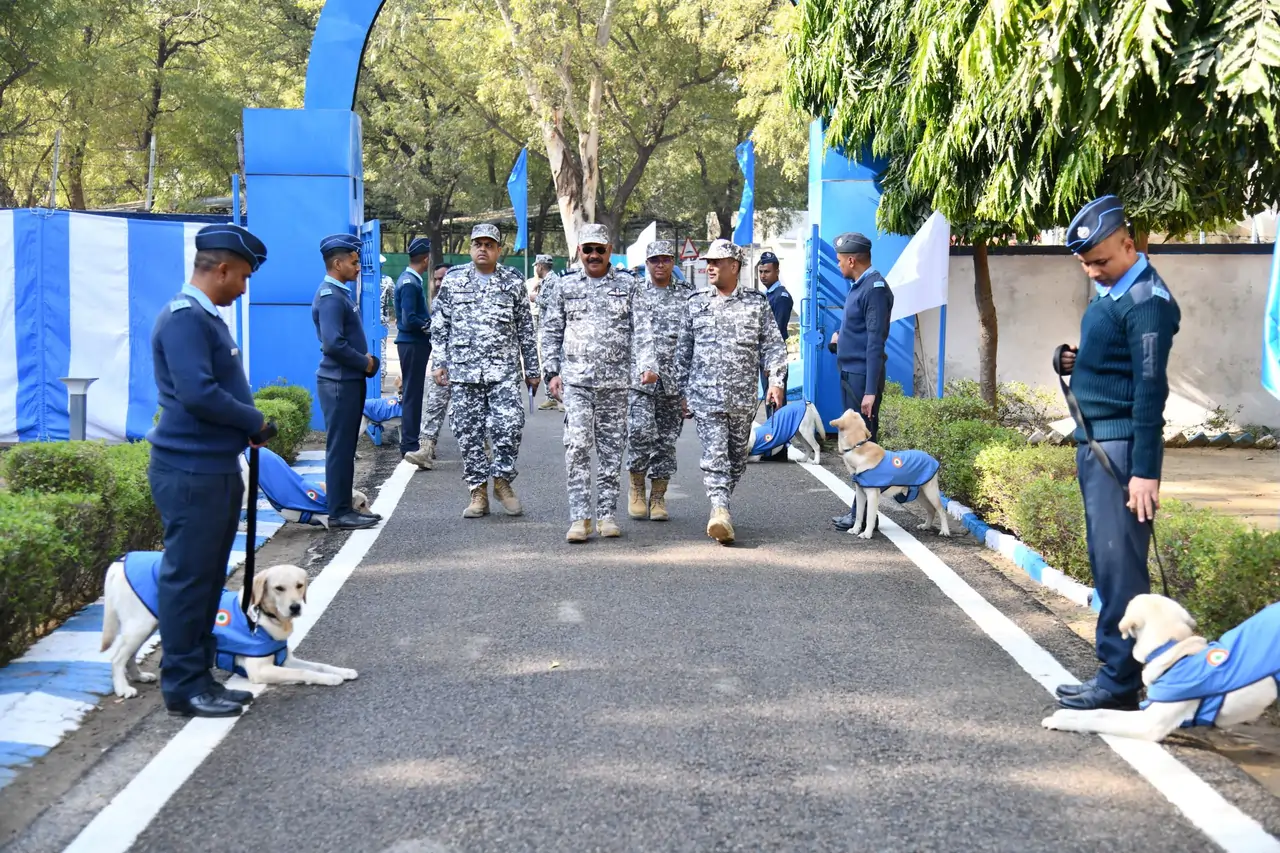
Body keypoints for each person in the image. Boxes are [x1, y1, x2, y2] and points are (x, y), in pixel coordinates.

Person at [1052, 195, 1180, 712]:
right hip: (1100, 444)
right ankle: (1117, 673)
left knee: (1119, 568)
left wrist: (1145, 471)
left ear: (1129, 245)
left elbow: (1150, 391)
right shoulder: (1119, 291)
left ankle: (1119, 682)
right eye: (1085, 263)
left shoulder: (1147, 302)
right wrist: (1075, 360)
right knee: (1108, 564)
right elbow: (1117, 361)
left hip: (1122, 452)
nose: (1092, 271)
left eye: (1100, 260)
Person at [147, 223, 272, 717]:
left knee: (206, 577)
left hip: (210, 465)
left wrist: (245, 425)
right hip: (190, 469)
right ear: (221, 269)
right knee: (189, 580)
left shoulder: (204, 318)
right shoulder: (185, 319)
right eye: (242, 277)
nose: (243, 288)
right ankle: (183, 686)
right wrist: (253, 420)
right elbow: (198, 394)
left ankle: (200, 675)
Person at [675, 238, 787, 544]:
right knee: (715, 456)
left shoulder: (756, 303)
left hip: (742, 399)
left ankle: (721, 504)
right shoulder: (696, 302)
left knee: (737, 459)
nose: (710, 267)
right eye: (708, 263)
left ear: (734, 266)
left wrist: (776, 382)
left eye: (716, 262)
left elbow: (773, 347)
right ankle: (720, 510)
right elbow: (683, 353)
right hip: (706, 398)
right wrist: (681, 392)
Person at [541, 224, 647, 542]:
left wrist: (647, 366)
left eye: (600, 249)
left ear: (609, 251)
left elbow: (643, 330)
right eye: (588, 249)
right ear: (579, 251)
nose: (594, 255)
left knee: (611, 451)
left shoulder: (629, 285)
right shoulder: (564, 284)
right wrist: (551, 372)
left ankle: (606, 515)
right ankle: (580, 518)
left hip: (616, 384)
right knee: (577, 447)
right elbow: (551, 331)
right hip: (577, 383)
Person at [431, 224, 540, 518]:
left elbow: (525, 329)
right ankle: (477, 491)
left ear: (498, 250)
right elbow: (440, 326)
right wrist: (439, 362)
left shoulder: (512, 282)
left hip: (503, 372)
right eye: (477, 244)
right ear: (470, 248)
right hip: (465, 372)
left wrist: (532, 368)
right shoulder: (454, 280)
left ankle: (502, 481)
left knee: (510, 426)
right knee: (468, 432)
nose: (483, 249)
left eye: (489, 245)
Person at [312, 233, 383, 530]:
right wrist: (366, 363)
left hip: (347, 380)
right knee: (340, 449)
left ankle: (343, 507)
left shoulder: (340, 293)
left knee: (345, 448)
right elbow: (333, 344)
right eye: (353, 262)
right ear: (337, 263)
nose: (358, 267)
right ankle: (339, 512)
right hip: (339, 382)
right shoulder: (330, 296)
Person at [828, 231, 893, 532]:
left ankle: (866, 517)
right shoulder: (860, 286)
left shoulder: (875, 288)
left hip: (862, 378)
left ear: (852, 260)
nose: (839, 264)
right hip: (850, 372)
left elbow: (875, 342)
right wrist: (839, 340)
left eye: (840, 260)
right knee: (855, 449)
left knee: (863, 446)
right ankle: (860, 512)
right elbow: (858, 331)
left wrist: (869, 391)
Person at [626, 240, 690, 522]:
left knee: (666, 441)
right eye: (654, 260)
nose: (660, 265)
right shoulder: (635, 293)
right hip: (639, 380)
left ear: (673, 262)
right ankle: (637, 488)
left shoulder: (687, 295)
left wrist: (690, 387)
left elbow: (693, 341)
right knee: (640, 432)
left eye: (665, 259)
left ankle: (658, 497)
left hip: (673, 382)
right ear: (647, 264)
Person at [396, 238, 434, 468]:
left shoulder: (409, 279)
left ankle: (410, 442)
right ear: (426, 259)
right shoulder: (410, 283)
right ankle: (409, 444)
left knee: (414, 392)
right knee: (412, 394)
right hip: (412, 343)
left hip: (413, 344)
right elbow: (409, 318)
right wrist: (430, 325)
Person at [419, 263, 452, 466]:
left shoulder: (469, 299)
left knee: (471, 412)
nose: (439, 283)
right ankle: (425, 450)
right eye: (436, 279)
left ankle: (483, 450)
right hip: (442, 364)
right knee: (433, 406)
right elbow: (438, 335)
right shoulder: (438, 301)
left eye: (443, 278)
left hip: (467, 367)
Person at [757, 250, 793, 414]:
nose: (763, 276)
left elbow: (776, 334)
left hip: (774, 360)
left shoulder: (781, 297)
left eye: (767, 272)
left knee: (776, 405)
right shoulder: (767, 295)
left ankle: (779, 431)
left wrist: (770, 363)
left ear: (777, 272)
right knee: (770, 403)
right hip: (765, 357)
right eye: (761, 272)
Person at [533, 254, 563, 411]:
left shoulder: (553, 281)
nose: (536, 269)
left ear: (540, 266)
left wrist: (535, 298)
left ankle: (559, 397)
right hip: (545, 327)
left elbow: (553, 303)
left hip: (551, 329)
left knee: (554, 362)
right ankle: (550, 397)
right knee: (546, 363)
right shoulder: (546, 281)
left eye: (536, 266)